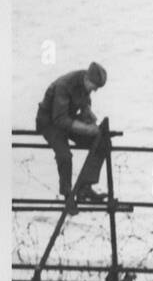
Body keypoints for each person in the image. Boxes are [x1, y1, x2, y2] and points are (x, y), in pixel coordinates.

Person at [36, 63, 110, 210]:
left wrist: (91, 119)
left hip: (67, 119)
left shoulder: (84, 80)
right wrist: (88, 130)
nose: (95, 90)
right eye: (94, 86)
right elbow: (60, 120)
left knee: (102, 143)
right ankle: (67, 195)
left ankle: (84, 187)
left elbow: (84, 104)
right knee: (65, 156)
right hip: (50, 123)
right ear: (87, 79)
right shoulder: (64, 85)